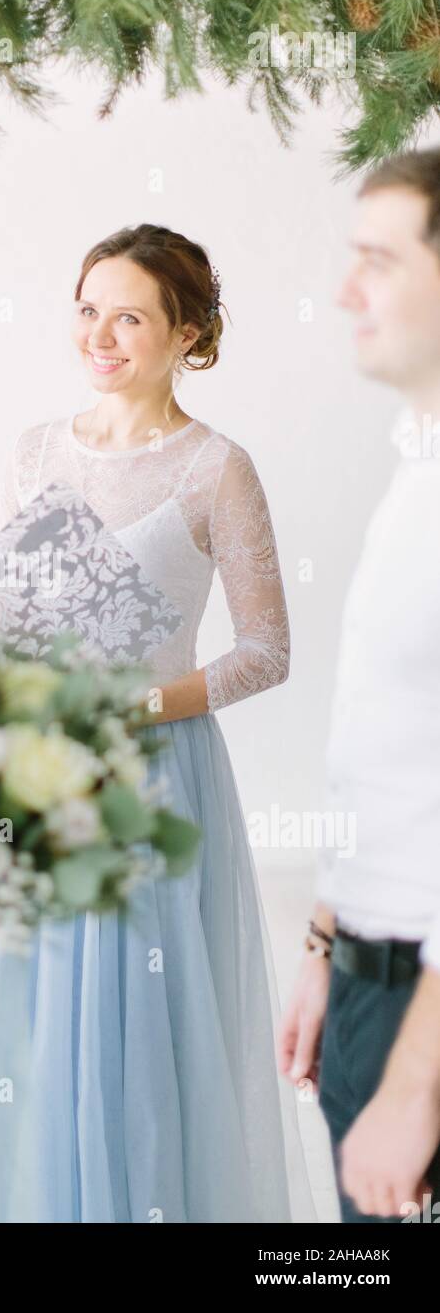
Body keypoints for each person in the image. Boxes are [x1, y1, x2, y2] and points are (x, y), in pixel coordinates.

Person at [0, 223, 317, 1222]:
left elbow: (267, 650)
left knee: (131, 1027)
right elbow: (4, 621)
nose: (98, 335)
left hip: (151, 779)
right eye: (85, 309)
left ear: (187, 332)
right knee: (12, 1010)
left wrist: (132, 707)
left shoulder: (216, 468)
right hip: (33, 774)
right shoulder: (31, 452)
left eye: (128, 316)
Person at [279, 148, 440, 1224]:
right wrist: (324, 948)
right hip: (365, 988)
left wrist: (415, 1081)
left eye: (374, 260)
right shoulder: (412, 466)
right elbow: (385, 749)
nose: (343, 290)